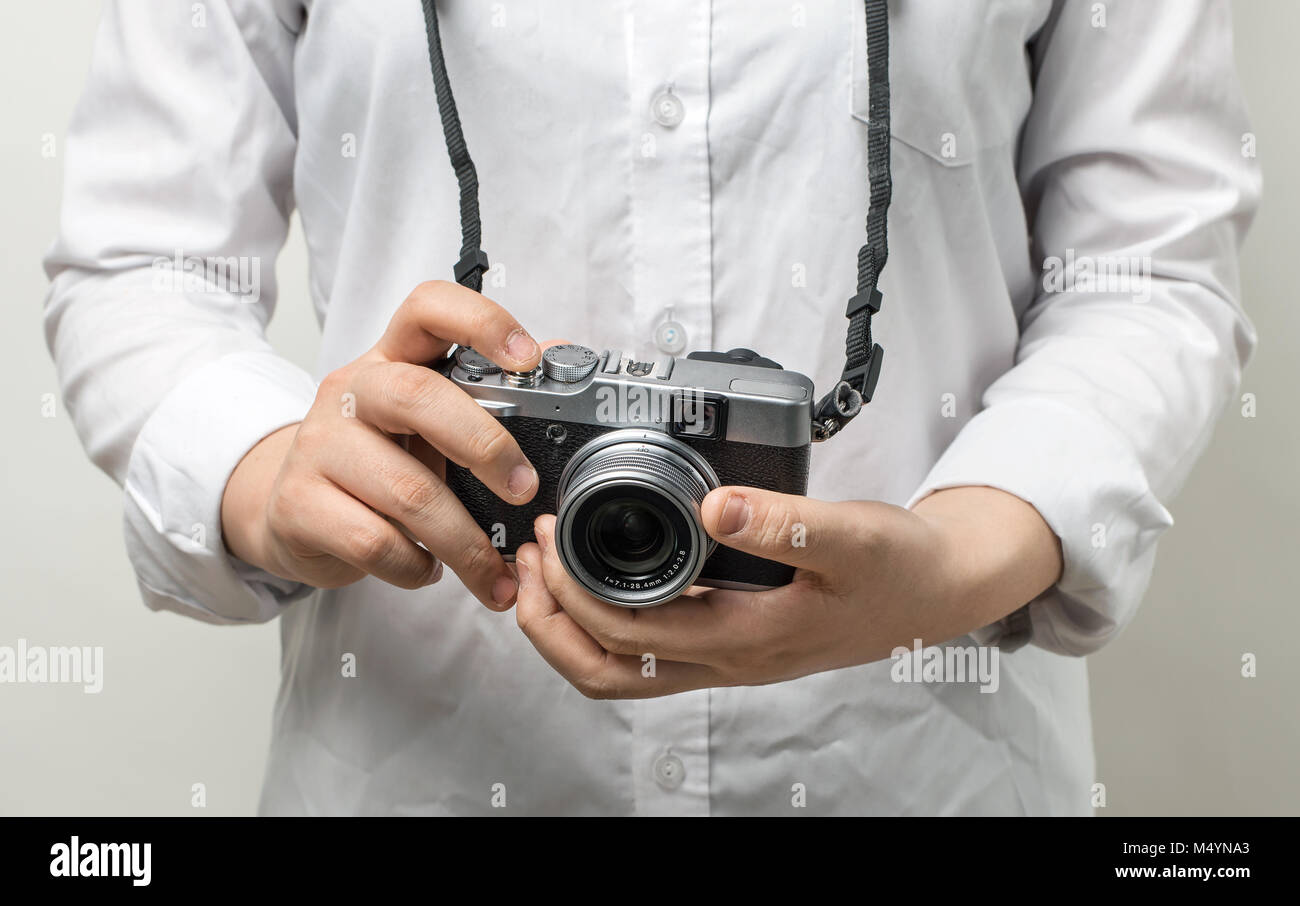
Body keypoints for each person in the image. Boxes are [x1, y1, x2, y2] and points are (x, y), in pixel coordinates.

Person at [44, 0, 1258, 816]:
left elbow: (1144, 266)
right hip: (419, 753)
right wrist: (265, 475)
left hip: (921, 756)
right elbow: (149, 260)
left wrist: (958, 559)